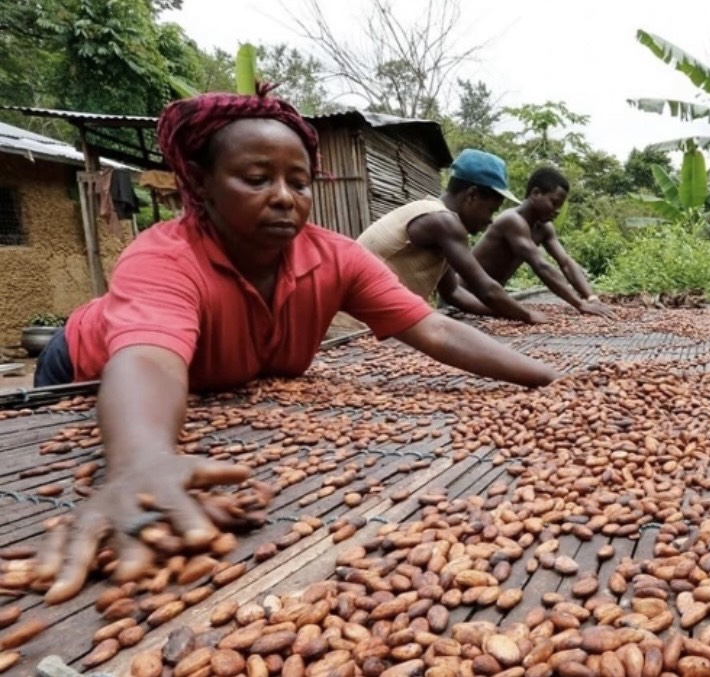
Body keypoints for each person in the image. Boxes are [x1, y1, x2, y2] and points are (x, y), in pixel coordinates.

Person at [32, 87, 561, 603]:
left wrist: (552, 378)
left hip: (222, 383)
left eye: (299, 182)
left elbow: (437, 329)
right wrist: (140, 459)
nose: (284, 196)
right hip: (92, 375)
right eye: (256, 179)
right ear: (202, 183)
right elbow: (149, 360)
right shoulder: (165, 257)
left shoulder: (335, 258)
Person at [356, 149, 549, 324]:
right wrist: (527, 315)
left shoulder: (435, 218)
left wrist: (500, 313)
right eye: (490, 210)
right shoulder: (444, 223)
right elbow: (487, 290)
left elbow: (453, 291)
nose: (490, 220)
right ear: (471, 195)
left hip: (370, 318)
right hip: (353, 326)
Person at [468, 167, 616, 319]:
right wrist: (579, 304)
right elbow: (541, 266)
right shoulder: (512, 221)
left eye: (560, 206)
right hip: (466, 296)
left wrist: (591, 298)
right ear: (536, 193)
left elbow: (565, 262)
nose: (557, 211)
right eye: (554, 202)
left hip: (491, 298)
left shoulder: (544, 228)